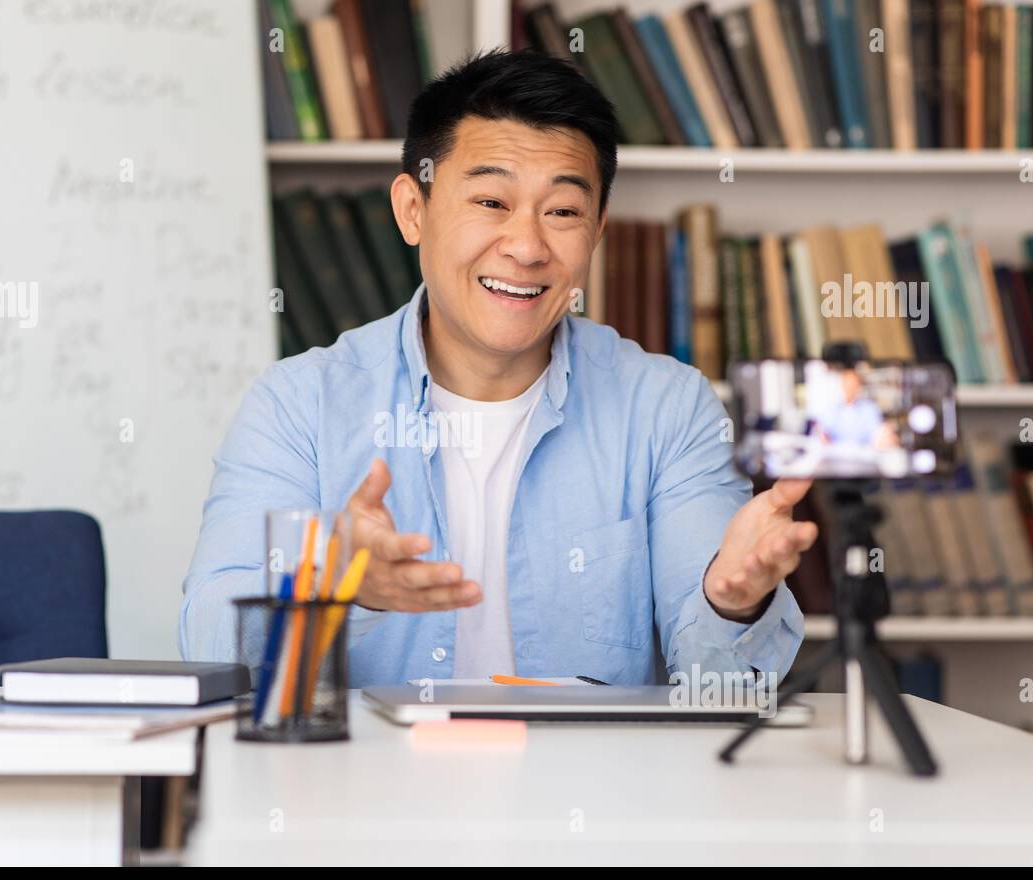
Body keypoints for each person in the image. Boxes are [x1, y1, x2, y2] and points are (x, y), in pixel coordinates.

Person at [180, 50, 818, 686]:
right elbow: (211, 647)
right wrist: (342, 584)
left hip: (590, 783)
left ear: (596, 231)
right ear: (412, 210)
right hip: (372, 782)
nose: (526, 246)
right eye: (490, 201)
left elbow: (721, 684)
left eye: (562, 212)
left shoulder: (667, 406)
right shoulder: (299, 404)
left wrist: (732, 603)